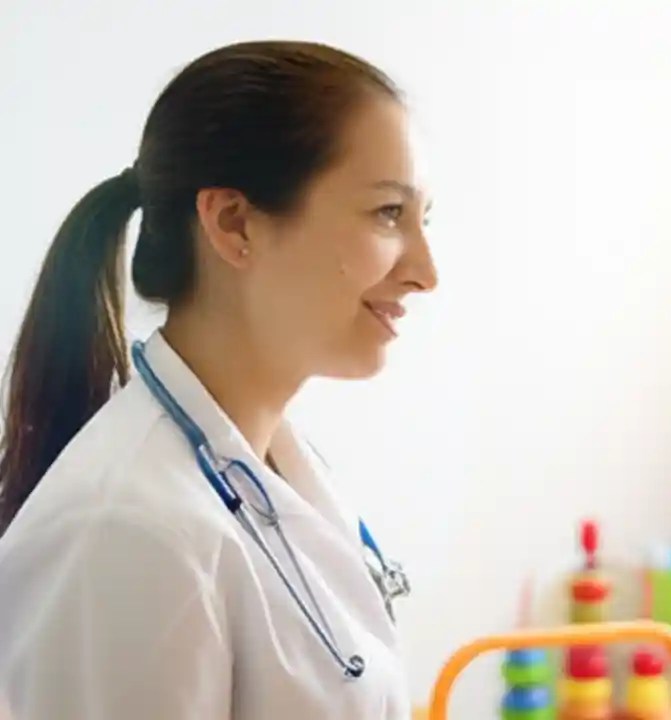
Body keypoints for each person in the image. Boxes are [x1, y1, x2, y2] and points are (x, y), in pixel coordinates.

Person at [0, 40, 436, 719]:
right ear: (234, 224)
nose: (425, 270)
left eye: (422, 219)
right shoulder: (128, 533)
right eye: (387, 214)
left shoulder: (277, 469)